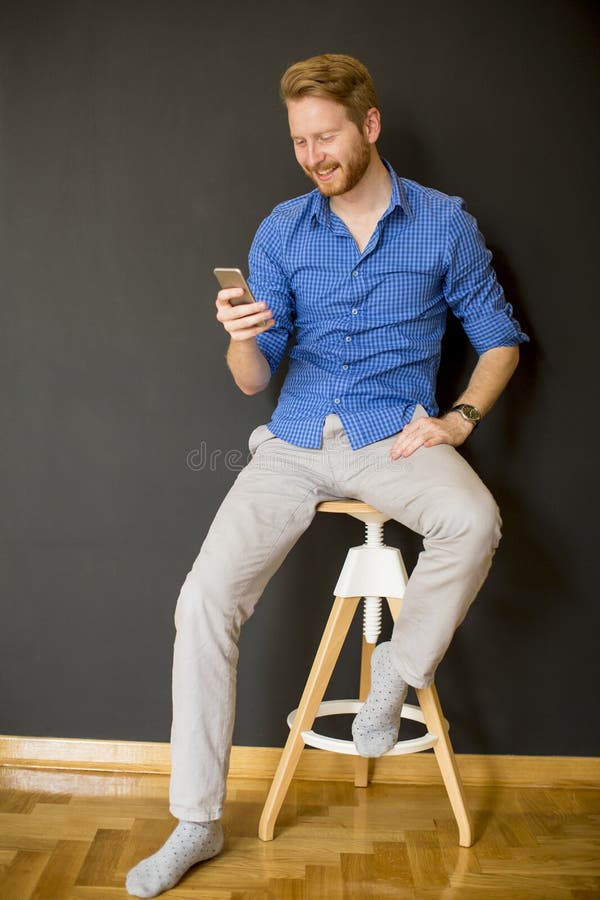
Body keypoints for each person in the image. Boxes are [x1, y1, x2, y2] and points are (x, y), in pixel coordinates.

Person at [126, 53, 528, 897]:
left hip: (395, 439)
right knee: (202, 601)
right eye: (301, 141)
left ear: (370, 125)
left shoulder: (444, 223)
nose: (314, 155)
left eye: (327, 136)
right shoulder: (282, 230)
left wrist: (459, 418)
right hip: (295, 441)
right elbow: (252, 378)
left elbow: (500, 338)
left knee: (476, 521)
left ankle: (395, 675)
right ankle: (195, 821)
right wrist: (240, 333)